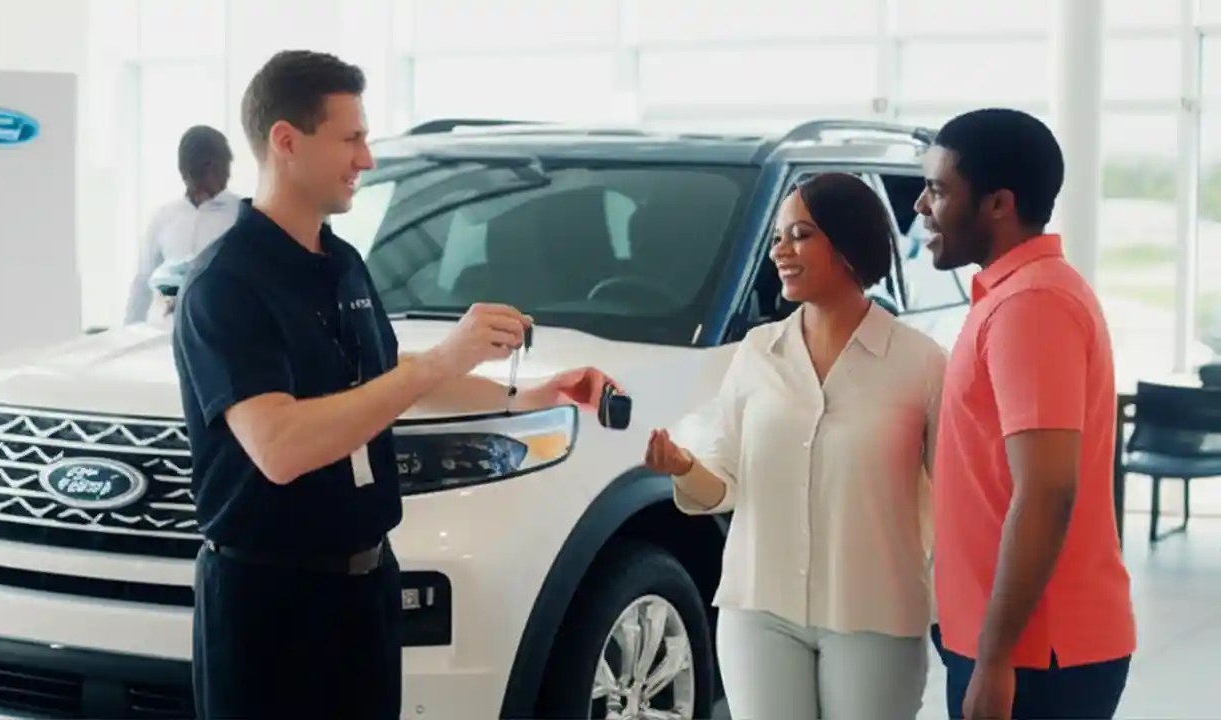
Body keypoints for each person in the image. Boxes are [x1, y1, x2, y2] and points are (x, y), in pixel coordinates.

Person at [171, 49, 618, 720]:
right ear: (286, 142)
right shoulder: (225, 284)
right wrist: (438, 361)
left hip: (365, 588)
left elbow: (381, 387)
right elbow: (280, 446)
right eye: (351, 138)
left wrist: (530, 395)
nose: (367, 158)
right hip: (268, 604)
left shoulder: (343, 262)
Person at [645, 172, 948, 720]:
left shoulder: (921, 363)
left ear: (849, 243)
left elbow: (956, 501)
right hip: (758, 608)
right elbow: (726, 480)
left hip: (874, 614)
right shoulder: (760, 351)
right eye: (778, 237)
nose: (779, 251)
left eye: (800, 235)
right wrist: (684, 466)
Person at [916, 108, 1136, 720]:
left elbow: (1046, 490)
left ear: (997, 204)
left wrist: (993, 659)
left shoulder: (1031, 304)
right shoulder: (1013, 294)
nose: (920, 207)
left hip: (1036, 653)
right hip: (1016, 644)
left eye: (937, 190)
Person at [125, 125, 240, 324]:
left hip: (226, 332)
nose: (223, 176)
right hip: (168, 334)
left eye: (223, 167)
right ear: (186, 171)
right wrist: (130, 331)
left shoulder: (243, 215)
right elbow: (143, 283)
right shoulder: (164, 219)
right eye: (211, 168)